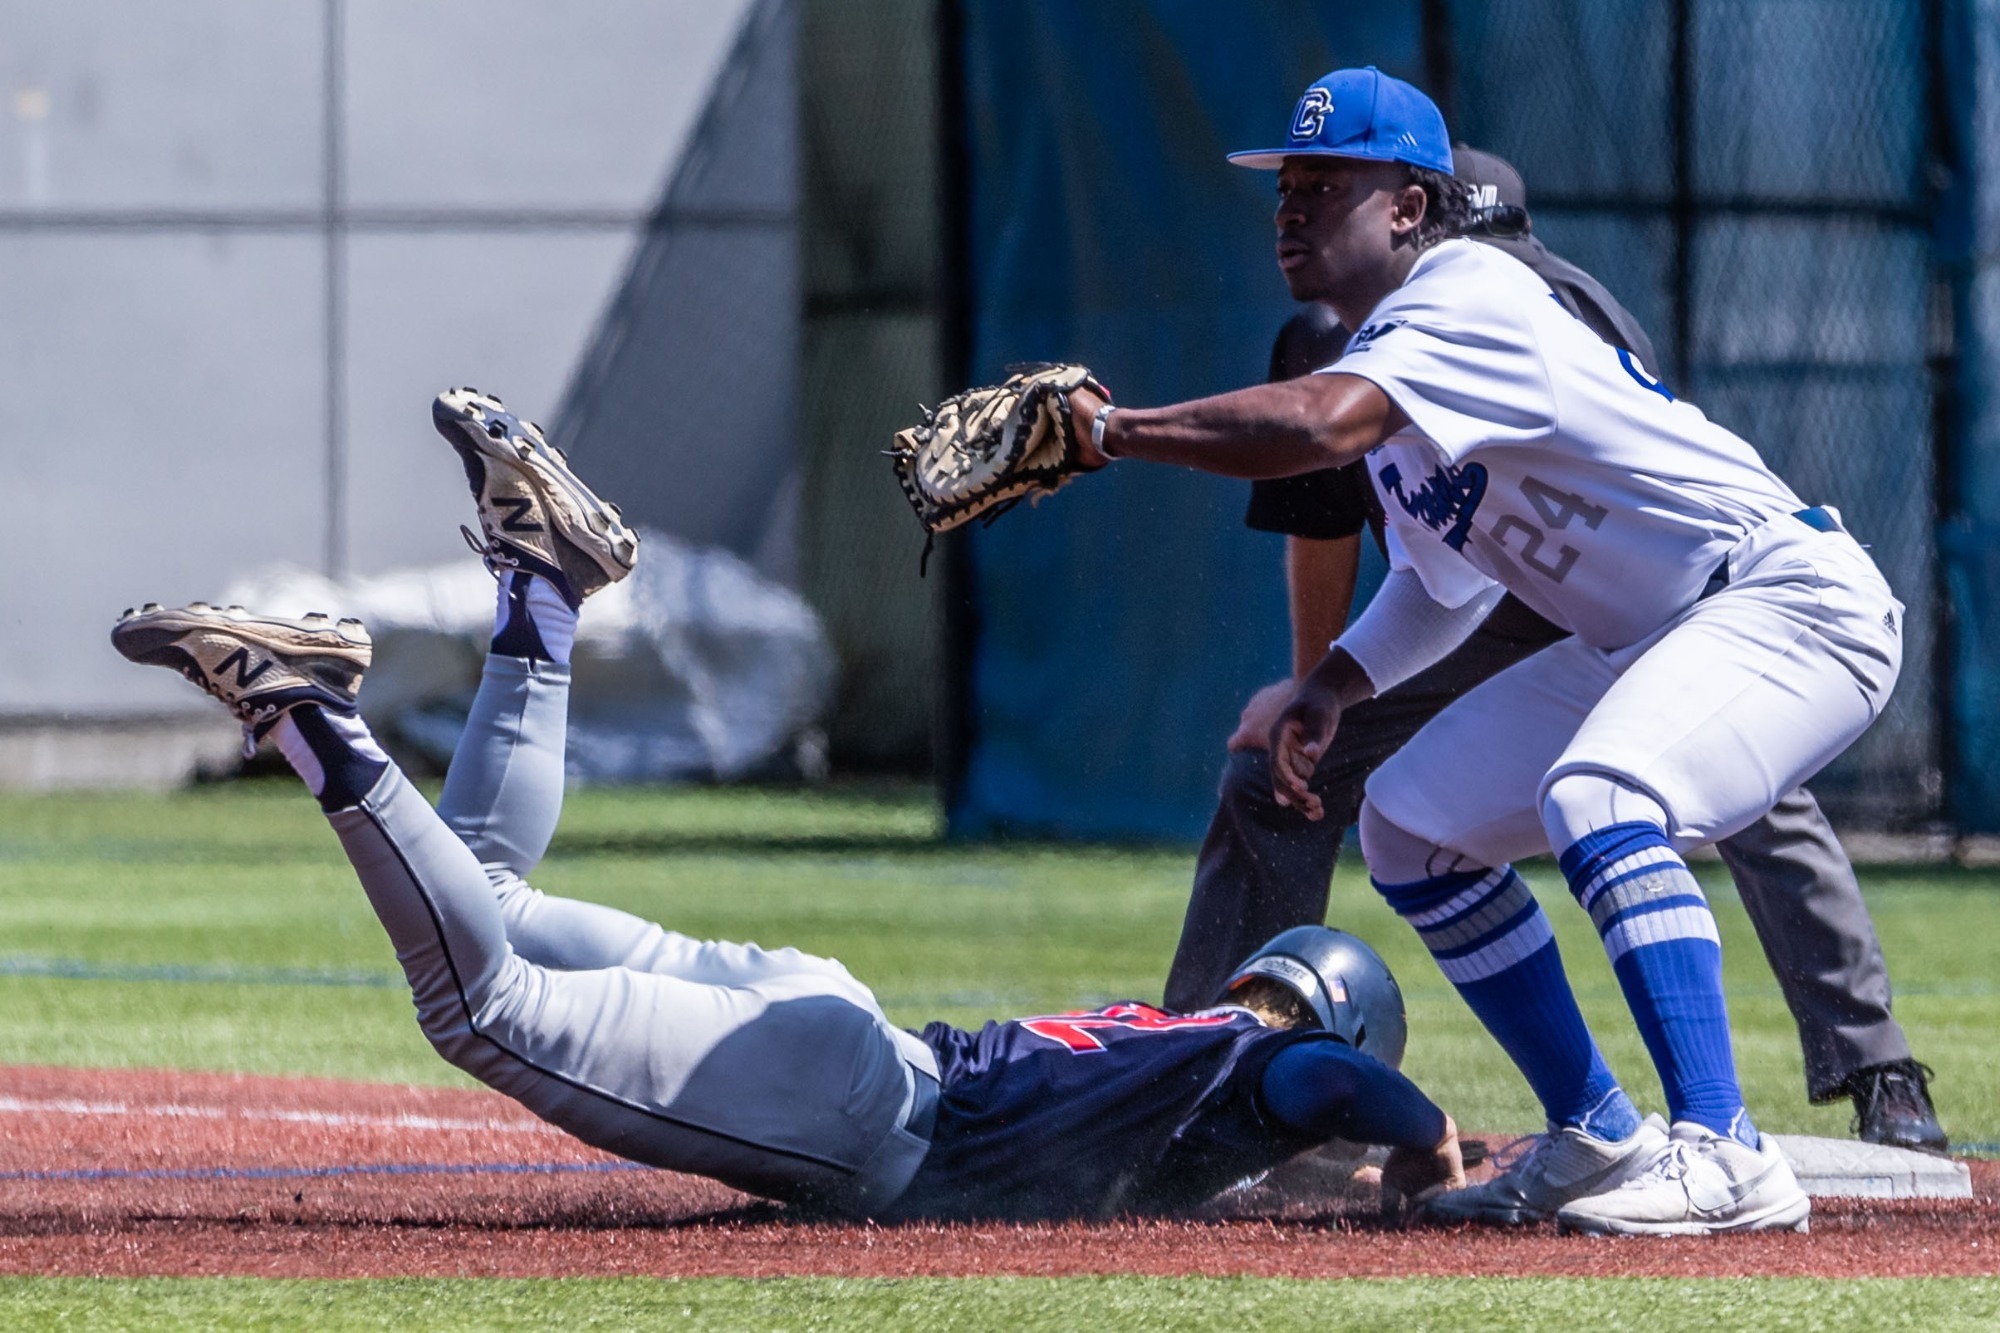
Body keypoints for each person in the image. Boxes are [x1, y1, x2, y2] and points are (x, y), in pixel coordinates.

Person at [109, 387, 1464, 1224]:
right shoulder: (1247, 1062)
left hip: (848, 1028)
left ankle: (542, 587)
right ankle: (307, 714)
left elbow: (1279, 1065)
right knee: (479, 1004)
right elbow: (1324, 1076)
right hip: (859, 1113)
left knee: (494, 903)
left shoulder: (1177, 1039)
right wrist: (1422, 1139)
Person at [1062, 66, 1908, 1235]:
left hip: (1787, 599)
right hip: (1647, 632)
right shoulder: (1388, 354)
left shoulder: (1463, 293)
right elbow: (1443, 584)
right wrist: (1331, 681)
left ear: (1410, 206)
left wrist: (1112, 430)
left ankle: (1724, 1148)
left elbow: (1314, 423)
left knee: (1602, 795)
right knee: (1407, 824)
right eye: (1285, 186)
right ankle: (1596, 1128)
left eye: (1327, 185)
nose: (1291, 208)